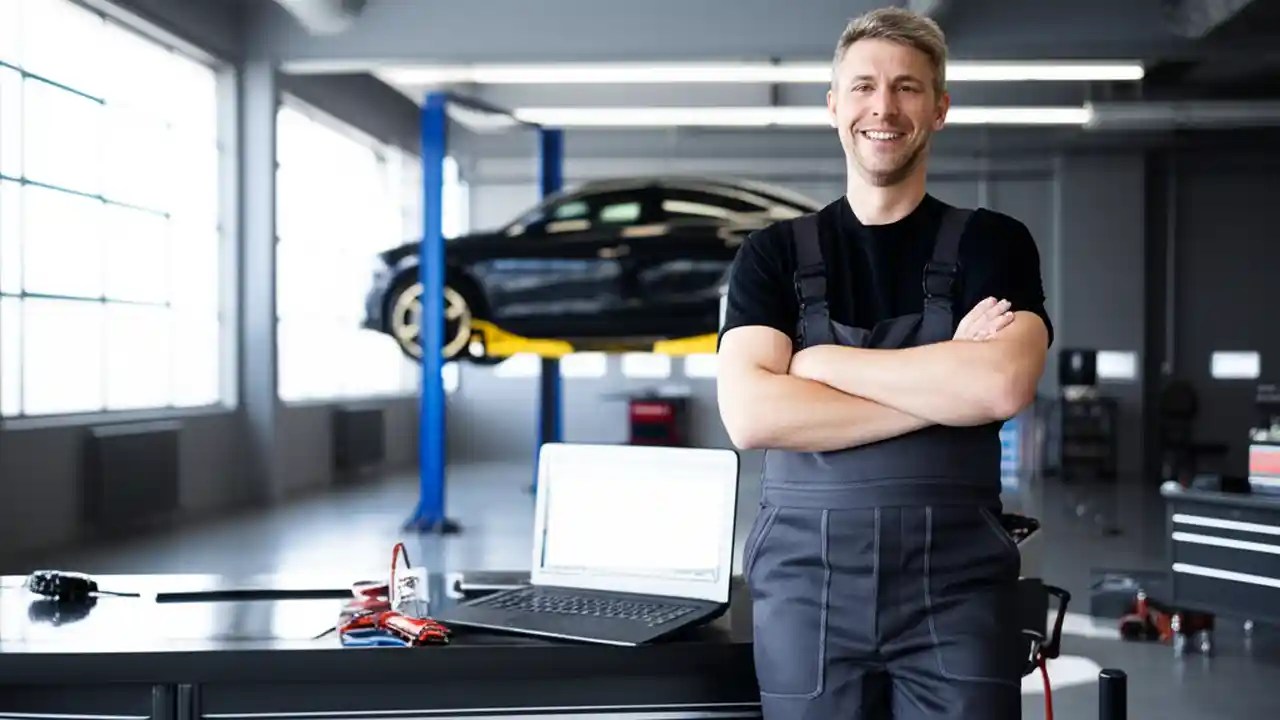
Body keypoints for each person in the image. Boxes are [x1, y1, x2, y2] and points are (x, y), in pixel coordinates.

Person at [716, 7, 1052, 720]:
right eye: (863, 85)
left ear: (939, 109)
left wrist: (820, 362)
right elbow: (751, 415)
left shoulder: (994, 244)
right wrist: (943, 380)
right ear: (834, 104)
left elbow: (1000, 383)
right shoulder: (771, 255)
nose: (884, 107)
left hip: (958, 589)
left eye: (907, 87)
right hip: (807, 593)